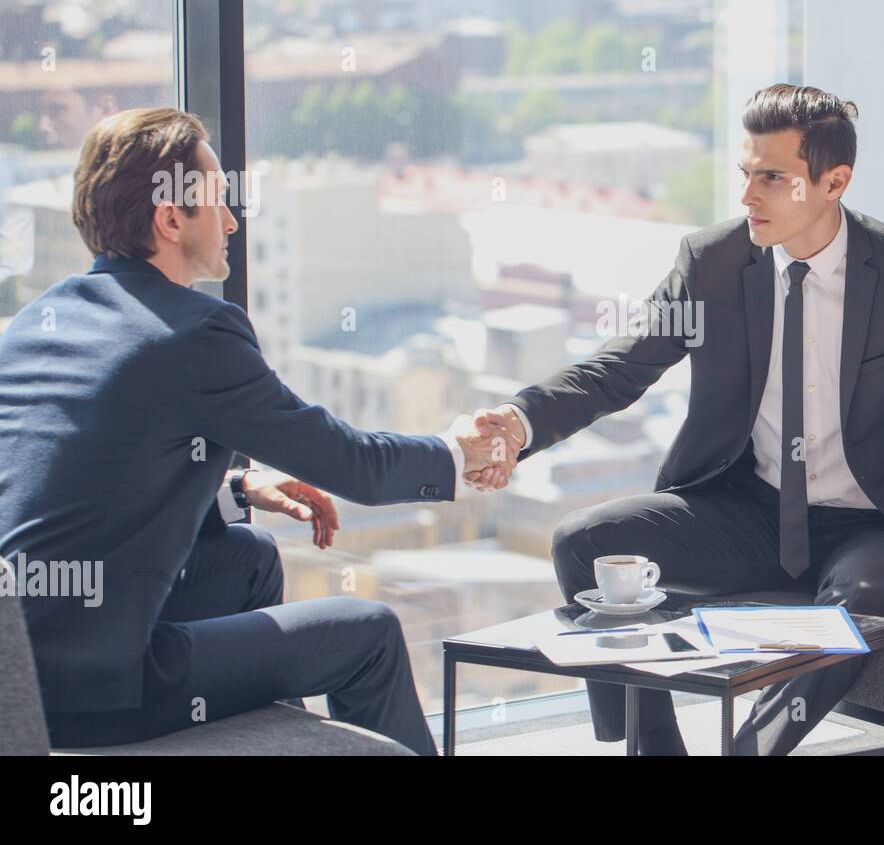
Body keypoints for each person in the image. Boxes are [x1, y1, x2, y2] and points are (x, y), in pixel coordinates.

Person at [471, 84, 884, 755]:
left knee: (867, 588)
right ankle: (652, 749)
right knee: (584, 543)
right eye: (746, 174)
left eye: (772, 177)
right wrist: (520, 424)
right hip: (748, 510)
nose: (748, 195)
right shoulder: (713, 262)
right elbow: (621, 365)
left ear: (833, 181)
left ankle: (748, 752)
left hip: (875, 523)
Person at [0, 107, 514, 755]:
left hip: (21, 672)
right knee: (371, 630)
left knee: (248, 558)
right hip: (104, 693)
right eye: (218, 202)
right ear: (170, 218)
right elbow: (350, 462)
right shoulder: (190, 333)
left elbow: (75, 477)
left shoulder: (37, 322)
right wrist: (455, 456)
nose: (233, 221)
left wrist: (236, 488)